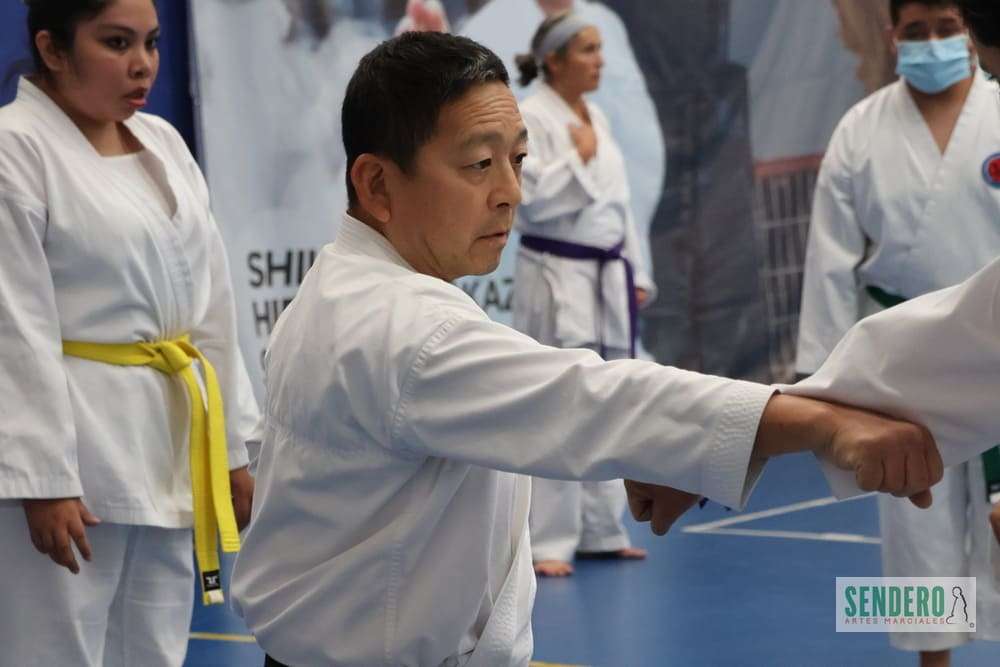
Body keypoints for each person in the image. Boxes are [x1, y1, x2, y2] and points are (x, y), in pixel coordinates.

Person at [230, 31, 945, 667]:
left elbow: (548, 414)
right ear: (378, 183)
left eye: (516, 161)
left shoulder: (337, 290)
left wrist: (669, 447)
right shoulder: (399, 324)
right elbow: (589, 398)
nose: (510, 193)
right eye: (479, 165)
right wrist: (821, 419)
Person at [0, 1, 260, 665]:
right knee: (56, 643)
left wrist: (230, 446)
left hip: (171, 436)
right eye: (115, 43)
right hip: (74, 448)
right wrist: (42, 477)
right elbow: (14, 322)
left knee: (155, 640)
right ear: (54, 50)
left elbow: (214, 308)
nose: (141, 63)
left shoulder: (164, 143)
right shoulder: (15, 148)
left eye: (150, 42)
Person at [796, 1, 1000, 662]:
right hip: (908, 364)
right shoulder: (859, 129)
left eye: (947, 27)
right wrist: (824, 384)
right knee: (916, 527)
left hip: (996, 349)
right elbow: (830, 260)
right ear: (892, 36)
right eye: (917, 31)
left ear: (971, 30)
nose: (934, 42)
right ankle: (930, 659)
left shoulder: (998, 107)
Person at [507, 11, 655, 577]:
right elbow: (530, 196)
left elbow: (621, 205)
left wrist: (636, 271)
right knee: (558, 401)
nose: (599, 60)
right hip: (555, 275)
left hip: (605, 273)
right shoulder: (531, 116)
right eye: (588, 50)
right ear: (555, 59)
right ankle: (549, 540)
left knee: (608, 397)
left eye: (599, 48)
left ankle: (600, 529)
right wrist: (582, 157)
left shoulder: (597, 116)